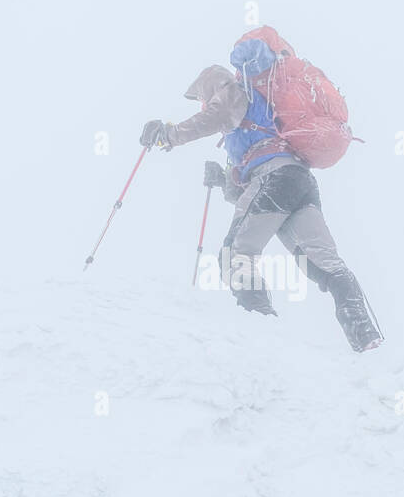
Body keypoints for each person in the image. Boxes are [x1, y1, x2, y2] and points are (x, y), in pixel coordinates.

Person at [140, 64, 382, 352]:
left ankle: (263, 337)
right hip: (299, 181)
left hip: (274, 178)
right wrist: (222, 181)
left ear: (211, 87)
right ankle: (367, 341)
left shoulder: (233, 92)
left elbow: (213, 117)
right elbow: (251, 199)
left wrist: (168, 134)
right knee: (326, 265)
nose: (206, 103)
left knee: (235, 255)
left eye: (204, 98)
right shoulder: (254, 117)